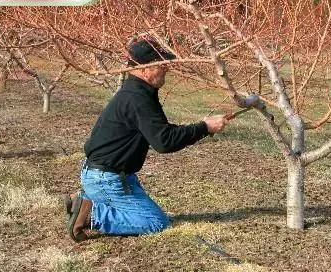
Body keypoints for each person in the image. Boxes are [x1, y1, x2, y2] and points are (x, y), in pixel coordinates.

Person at [65, 39, 228, 242]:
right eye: (161, 64)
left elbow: (161, 132)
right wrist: (205, 128)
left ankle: (84, 202)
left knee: (149, 216)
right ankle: (90, 214)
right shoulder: (138, 98)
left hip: (108, 175)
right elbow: (164, 142)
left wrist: (202, 125)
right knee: (155, 222)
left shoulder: (138, 93)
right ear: (144, 69)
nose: (167, 68)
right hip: (107, 179)